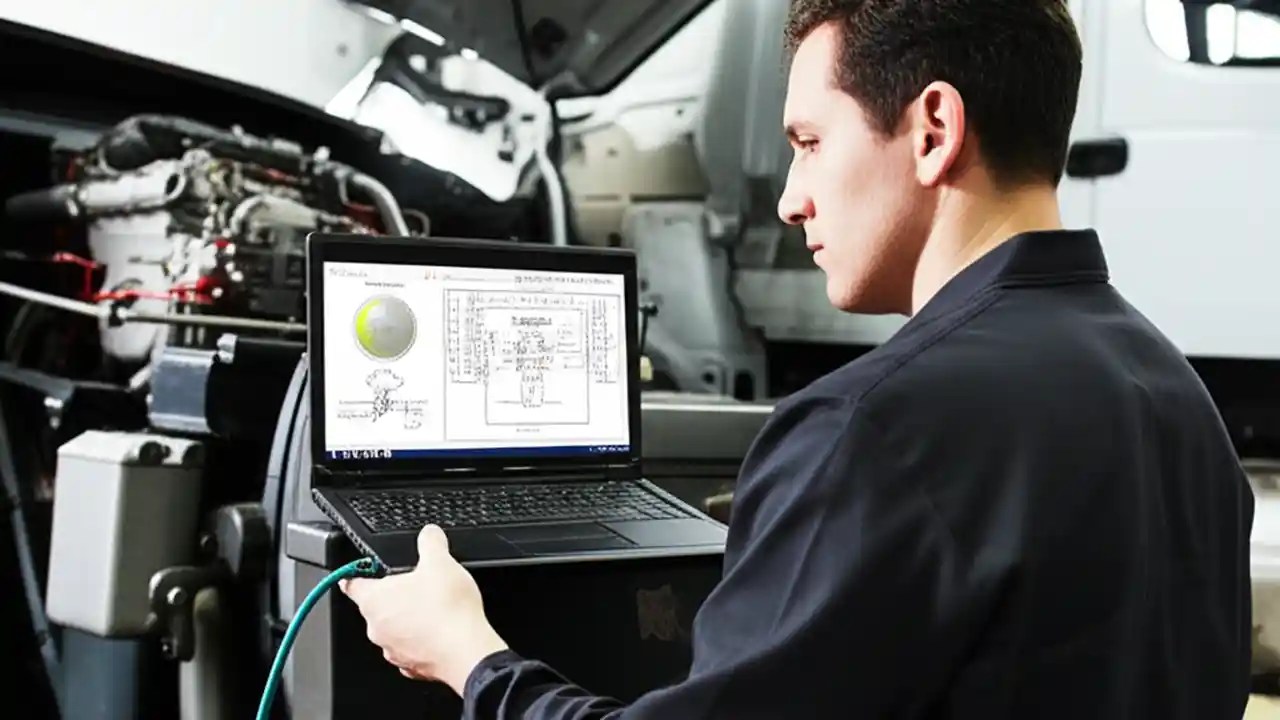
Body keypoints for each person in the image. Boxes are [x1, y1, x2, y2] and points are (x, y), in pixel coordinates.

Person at [339, 0, 1257, 717]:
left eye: (810, 145)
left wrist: (468, 658)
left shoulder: (872, 428)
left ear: (933, 129)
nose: (790, 199)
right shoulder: (1179, 401)